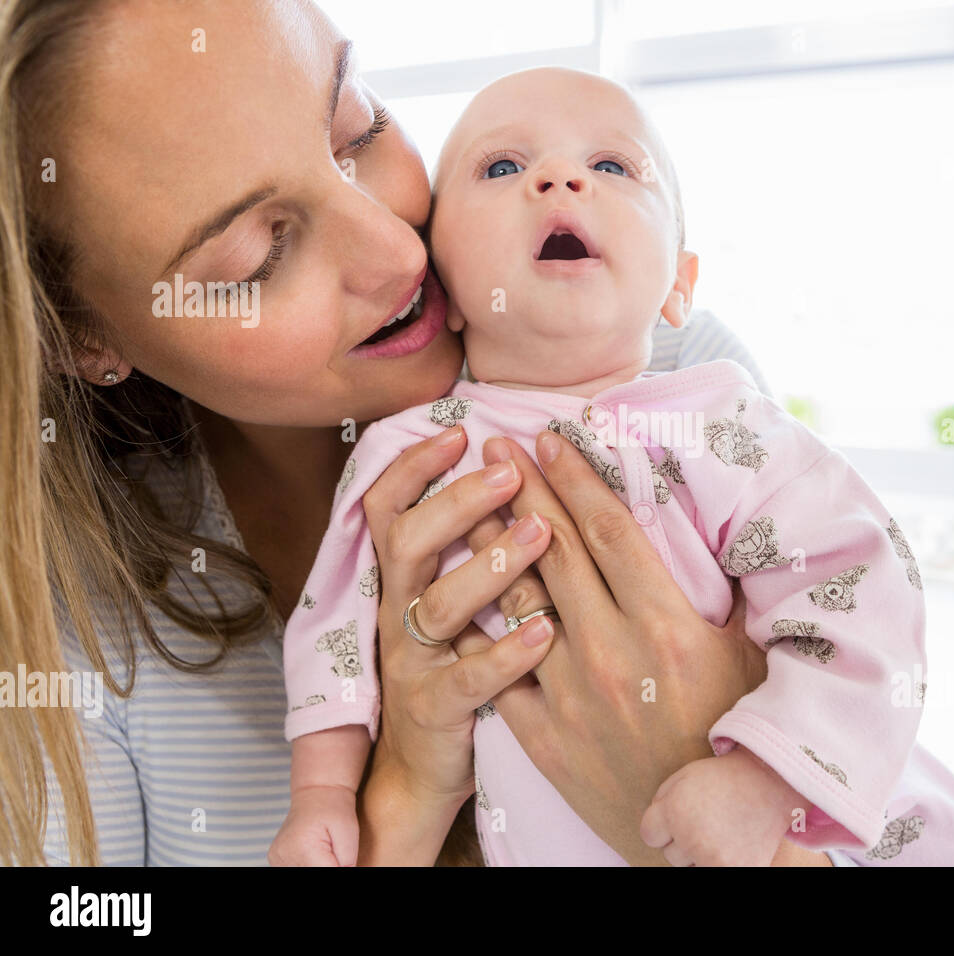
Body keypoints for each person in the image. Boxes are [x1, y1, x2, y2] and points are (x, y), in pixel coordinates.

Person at [4, 0, 827, 866]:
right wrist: (400, 798)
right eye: (259, 257)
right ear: (81, 338)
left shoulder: (672, 376)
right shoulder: (67, 633)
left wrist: (695, 786)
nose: (399, 251)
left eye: (358, 128)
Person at [273, 67, 954, 867]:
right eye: (501, 168)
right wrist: (322, 793)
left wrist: (765, 783)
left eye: (612, 167)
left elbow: (860, 591)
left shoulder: (724, 424)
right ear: (445, 289)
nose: (559, 179)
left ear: (678, 284)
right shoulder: (406, 455)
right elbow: (334, 627)